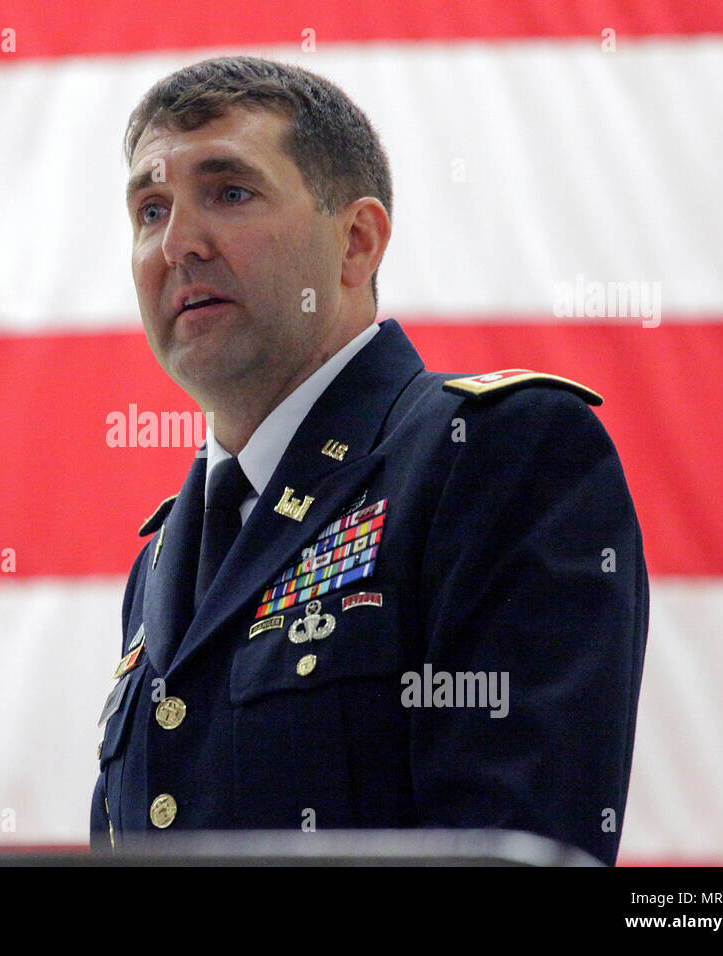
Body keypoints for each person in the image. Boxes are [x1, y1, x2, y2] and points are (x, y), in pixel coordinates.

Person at [91, 56, 648, 866]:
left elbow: (516, 845)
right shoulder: (165, 555)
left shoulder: (498, 453)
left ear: (356, 242)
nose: (177, 244)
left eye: (230, 193)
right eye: (150, 209)